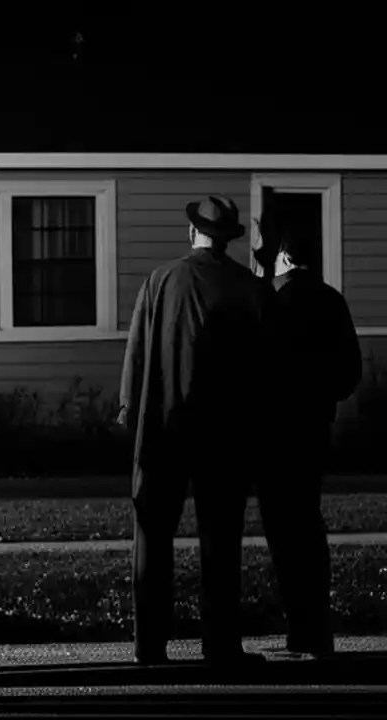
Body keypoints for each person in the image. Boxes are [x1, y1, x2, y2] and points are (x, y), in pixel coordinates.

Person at [118, 194, 272, 668]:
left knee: (152, 534)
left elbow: (137, 352)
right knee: (220, 540)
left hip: (164, 427)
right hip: (224, 434)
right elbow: (265, 368)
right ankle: (221, 645)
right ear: (228, 239)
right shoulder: (250, 289)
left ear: (192, 233)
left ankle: (150, 646)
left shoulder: (161, 281)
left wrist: (129, 410)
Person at [256, 216, 361, 658]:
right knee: (308, 524)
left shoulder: (269, 301)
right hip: (313, 429)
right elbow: (349, 374)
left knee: (281, 531)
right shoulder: (331, 301)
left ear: (282, 256)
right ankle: (316, 629)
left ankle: (298, 627)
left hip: (272, 431)